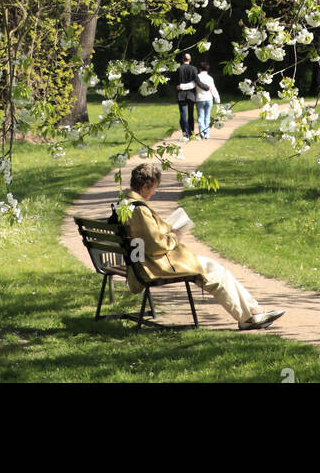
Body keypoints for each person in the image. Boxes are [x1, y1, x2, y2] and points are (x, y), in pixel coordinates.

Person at [121, 161, 285, 330]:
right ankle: (248, 317)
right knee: (214, 273)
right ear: (145, 186)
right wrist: (175, 237)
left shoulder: (126, 202)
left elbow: (147, 237)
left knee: (216, 268)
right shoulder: (139, 210)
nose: (154, 192)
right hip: (154, 265)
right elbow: (155, 245)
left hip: (148, 262)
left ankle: (253, 310)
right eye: (154, 188)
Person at [174, 52, 200, 140]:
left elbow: (175, 82)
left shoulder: (178, 69)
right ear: (190, 60)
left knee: (183, 114)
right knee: (191, 115)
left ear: (182, 59)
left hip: (181, 94)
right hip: (191, 95)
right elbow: (196, 81)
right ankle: (191, 133)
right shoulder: (193, 69)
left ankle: (185, 134)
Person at [195, 59, 220, 140]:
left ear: (200, 69)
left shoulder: (197, 77)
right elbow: (213, 89)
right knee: (207, 116)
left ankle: (201, 131)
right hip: (209, 98)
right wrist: (217, 99)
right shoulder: (210, 78)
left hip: (200, 98)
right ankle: (207, 134)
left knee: (200, 116)